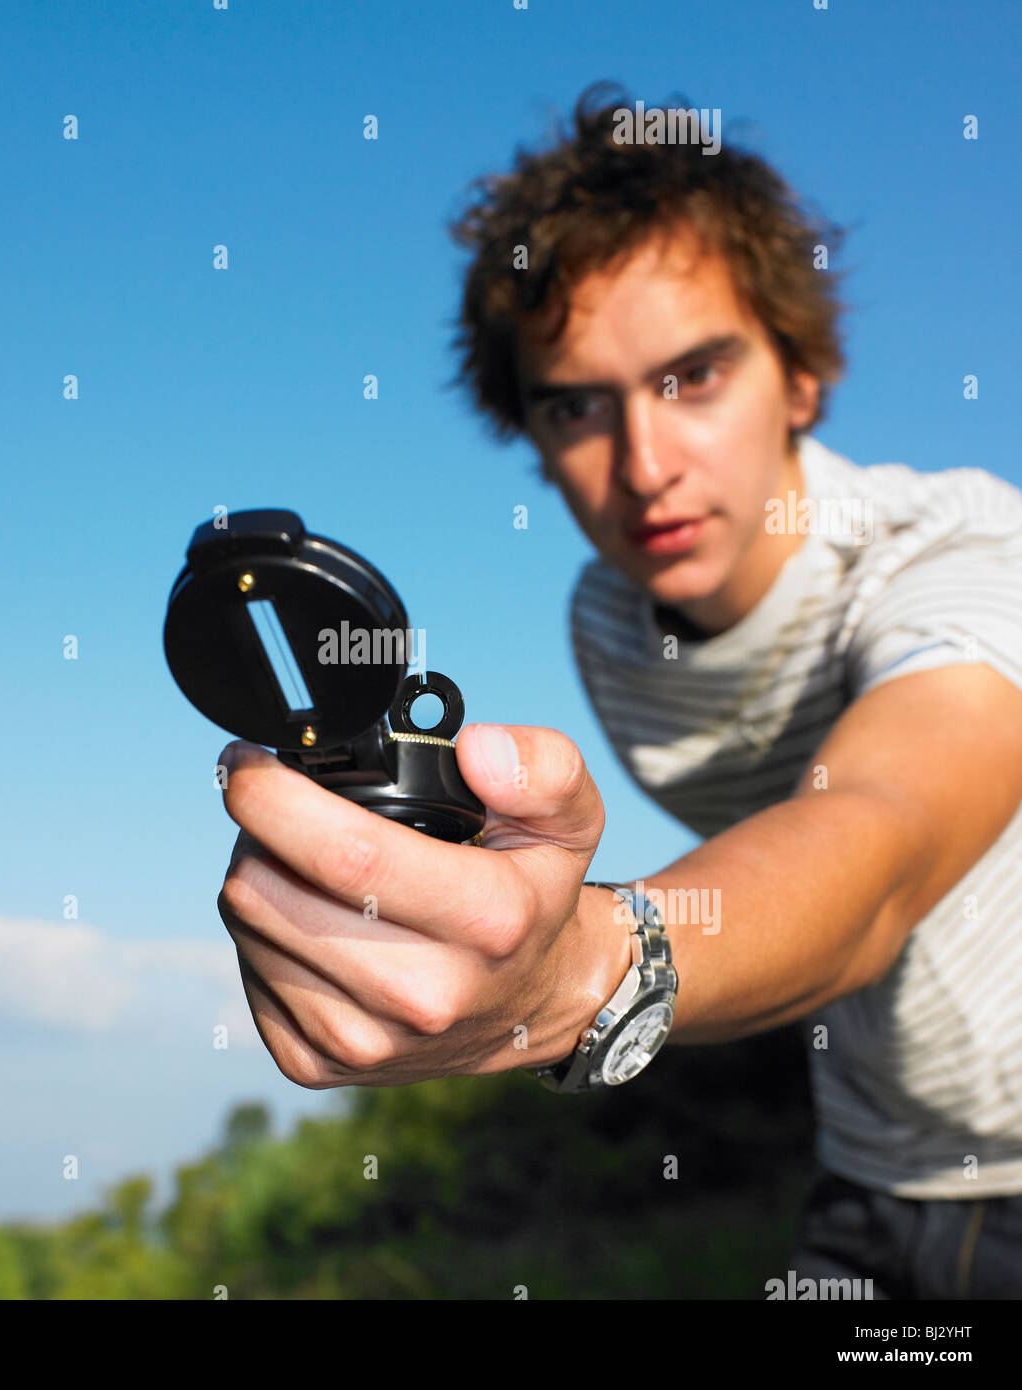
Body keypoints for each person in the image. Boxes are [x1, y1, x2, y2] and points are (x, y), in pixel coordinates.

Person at [213, 82, 1022, 1299]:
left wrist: (584, 967)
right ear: (531, 438)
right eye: (579, 405)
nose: (644, 464)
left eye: (695, 376)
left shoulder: (964, 554)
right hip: (871, 1174)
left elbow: (882, 846)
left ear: (802, 377)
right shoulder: (609, 621)